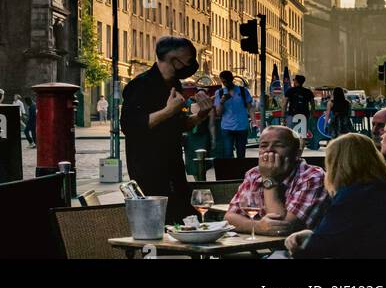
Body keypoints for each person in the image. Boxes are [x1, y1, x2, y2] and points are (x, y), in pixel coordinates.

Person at [119, 35, 211, 222]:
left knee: (185, 219)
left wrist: (201, 115)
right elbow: (130, 126)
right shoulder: (140, 85)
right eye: (189, 59)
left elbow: (179, 125)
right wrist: (168, 111)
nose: (193, 64)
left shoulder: (174, 84)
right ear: (173, 59)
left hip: (174, 165)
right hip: (150, 168)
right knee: (161, 222)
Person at [285, 132, 386, 260]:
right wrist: (313, 236)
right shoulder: (379, 191)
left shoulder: (353, 197)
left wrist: (303, 245)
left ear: (336, 165)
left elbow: (317, 249)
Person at [226, 125, 328, 237]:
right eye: (264, 146)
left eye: (278, 145)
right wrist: (258, 226)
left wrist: (269, 179)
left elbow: (282, 228)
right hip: (263, 246)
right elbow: (229, 218)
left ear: (297, 153)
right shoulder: (253, 174)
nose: (269, 150)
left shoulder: (312, 177)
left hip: (302, 250)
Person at [213, 70, 253, 160]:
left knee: (241, 153)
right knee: (228, 154)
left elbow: (250, 107)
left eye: (226, 81)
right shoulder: (219, 93)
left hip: (242, 127)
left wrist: (254, 122)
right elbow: (218, 113)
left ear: (232, 80)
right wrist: (222, 101)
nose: (225, 84)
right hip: (227, 127)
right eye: (223, 82)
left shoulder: (243, 91)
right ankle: (231, 173)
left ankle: (240, 172)